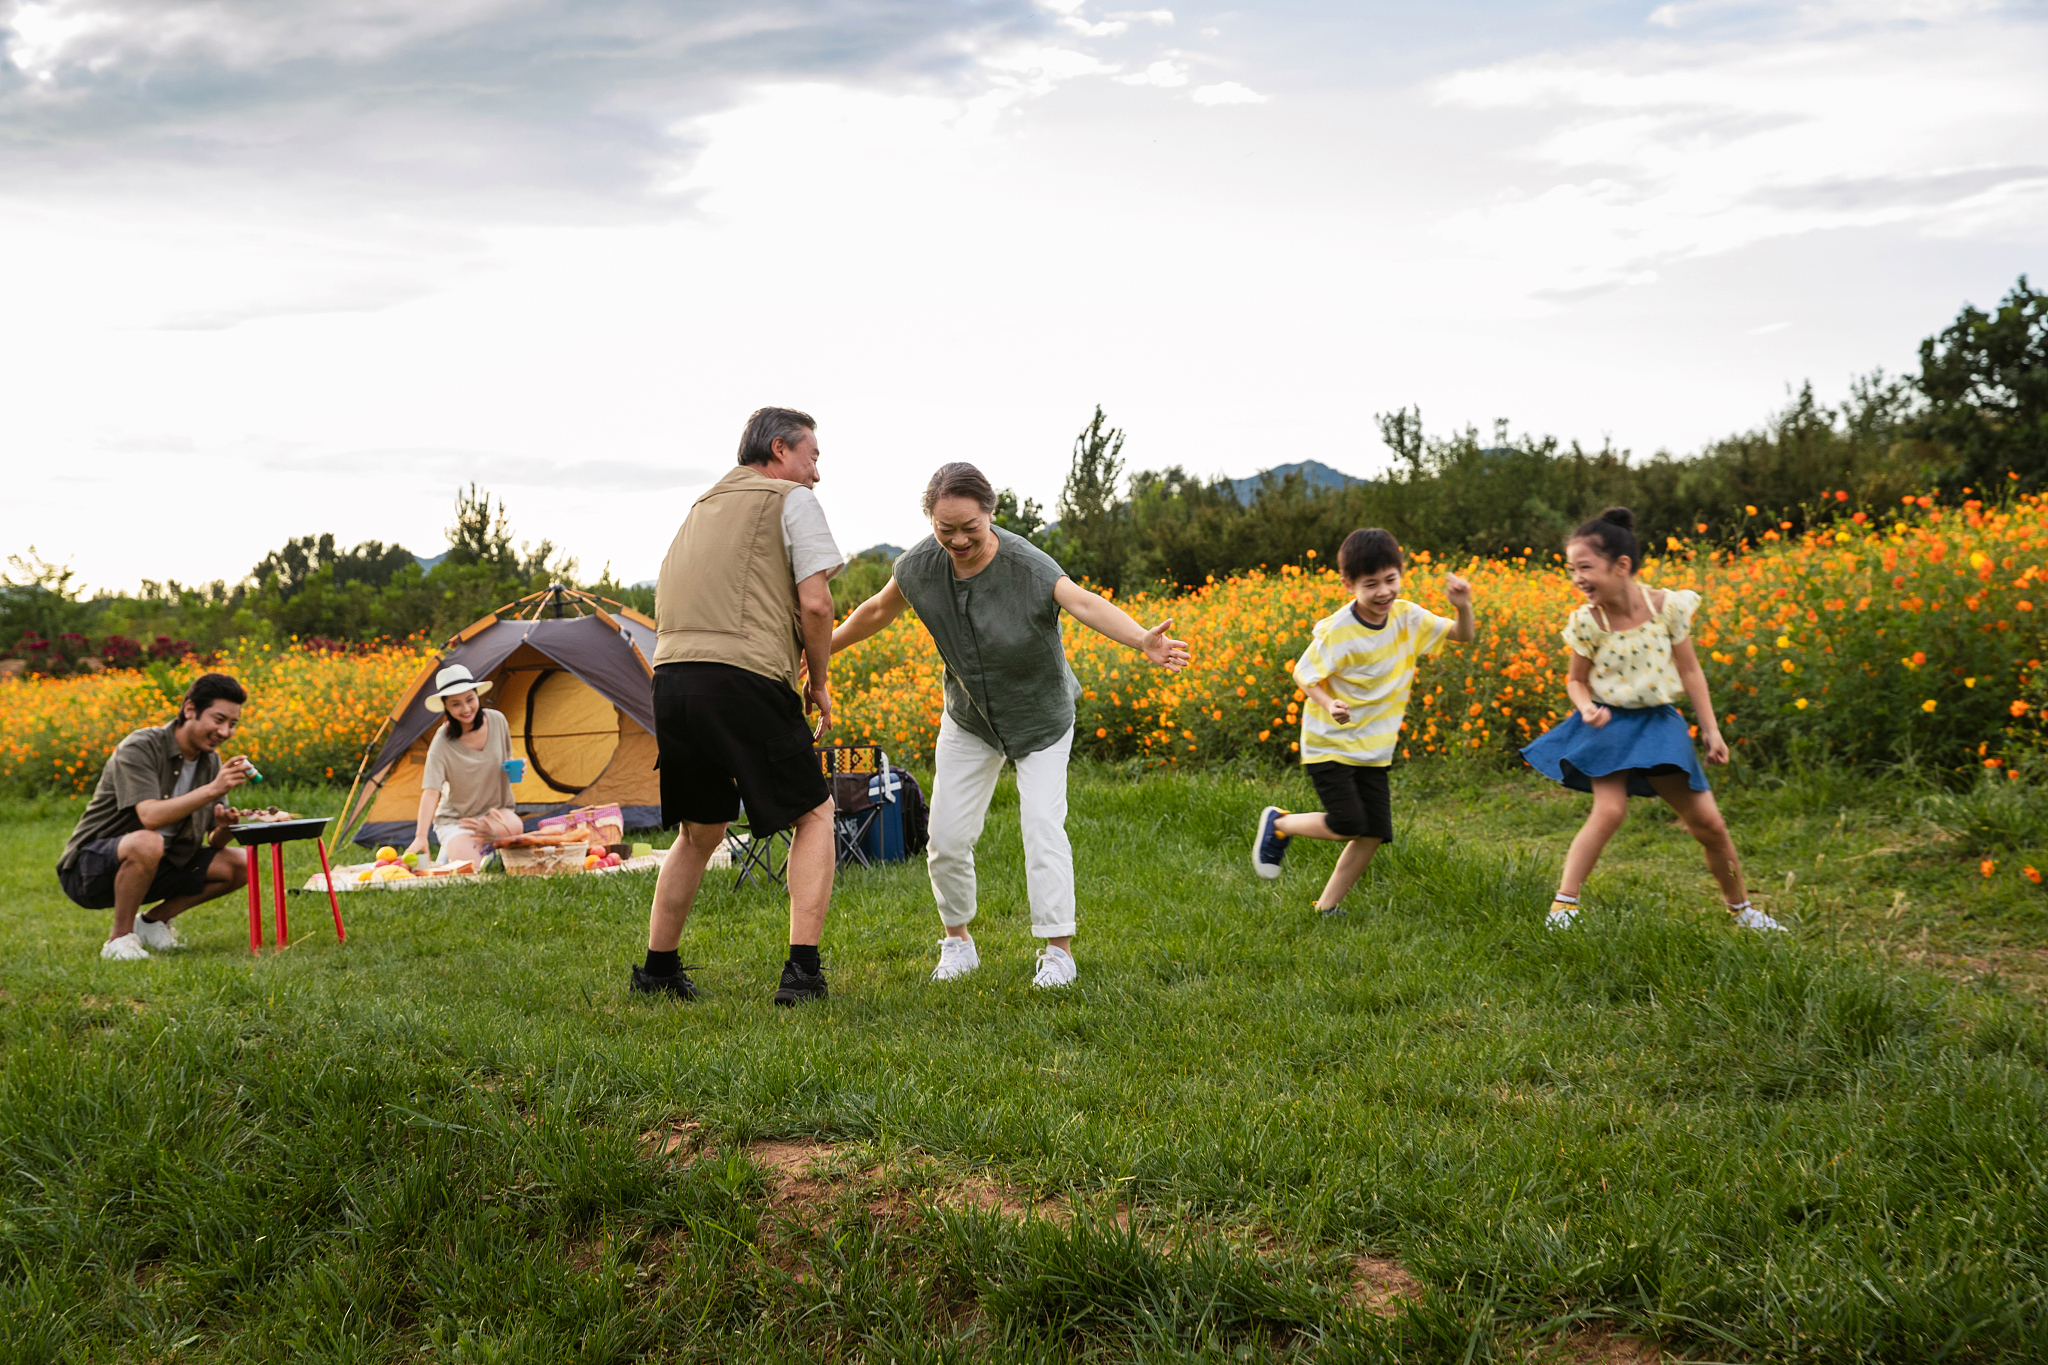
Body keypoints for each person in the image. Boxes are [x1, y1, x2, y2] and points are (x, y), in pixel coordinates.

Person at [831, 462, 1190, 987]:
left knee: (1042, 828)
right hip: (970, 718)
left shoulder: (1027, 565)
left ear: (990, 516)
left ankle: (1057, 951)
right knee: (946, 837)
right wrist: (823, 648)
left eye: (969, 528)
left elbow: (1084, 602)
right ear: (929, 519)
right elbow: (876, 611)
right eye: (944, 528)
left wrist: (1141, 640)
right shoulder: (918, 566)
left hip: (1041, 717)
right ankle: (958, 942)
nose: (958, 540)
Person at [633, 406, 845, 1005]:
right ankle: (802, 973)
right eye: (812, 457)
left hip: (672, 679)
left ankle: (658, 969)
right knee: (814, 813)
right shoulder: (790, 499)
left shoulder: (701, 505)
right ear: (780, 450)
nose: (816, 474)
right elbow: (817, 605)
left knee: (700, 831)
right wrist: (819, 681)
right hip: (743, 675)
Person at [1517, 507, 1783, 931]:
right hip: (1609, 724)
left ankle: (1743, 911)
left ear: (1621, 565)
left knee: (1709, 824)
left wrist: (1711, 730)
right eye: (1571, 569)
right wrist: (1585, 707)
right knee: (1609, 811)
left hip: (1660, 724)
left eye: (1585, 567)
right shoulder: (1588, 622)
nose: (1576, 578)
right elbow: (1576, 681)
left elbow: (1691, 671)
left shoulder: (1666, 608)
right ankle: (1563, 909)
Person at [1251, 529, 1474, 912]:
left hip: (1375, 749)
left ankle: (1326, 907)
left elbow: (1462, 635)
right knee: (1349, 823)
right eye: (1371, 585)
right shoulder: (1340, 629)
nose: (1384, 591)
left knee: (1373, 833)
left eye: (1391, 580)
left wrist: (1463, 606)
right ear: (1348, 584)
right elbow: (1304, 674)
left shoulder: (1407, 617)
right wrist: (1328, 702)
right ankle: (1279, 824)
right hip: (1330, 744)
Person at [56, 672, 256, 960]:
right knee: (148, 841)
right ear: (190, 710)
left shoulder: (210, 760)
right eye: (218, 719)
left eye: (233, 724)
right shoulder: (140, 746)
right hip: (90, 868)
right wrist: (213, 789)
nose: (225, 732)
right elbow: (149, 816)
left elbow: (215, 841)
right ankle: (119, 940)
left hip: (161, 863)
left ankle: (152, 922)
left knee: (241, 863)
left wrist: (226, 826)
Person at [402, 664, 523, 867]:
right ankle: (450, 851)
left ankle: (483, 842)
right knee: (474, 869)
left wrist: (515, 768)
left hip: (494, 814)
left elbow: (506, 759)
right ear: (446, 707)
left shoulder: (497, 721)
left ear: (477, 696)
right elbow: (431, 791)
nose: (466, 709)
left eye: (470, 699)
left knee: (516, 827)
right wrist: (420, 836)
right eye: (456, 704)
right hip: (458, 820)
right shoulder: (442, 743)